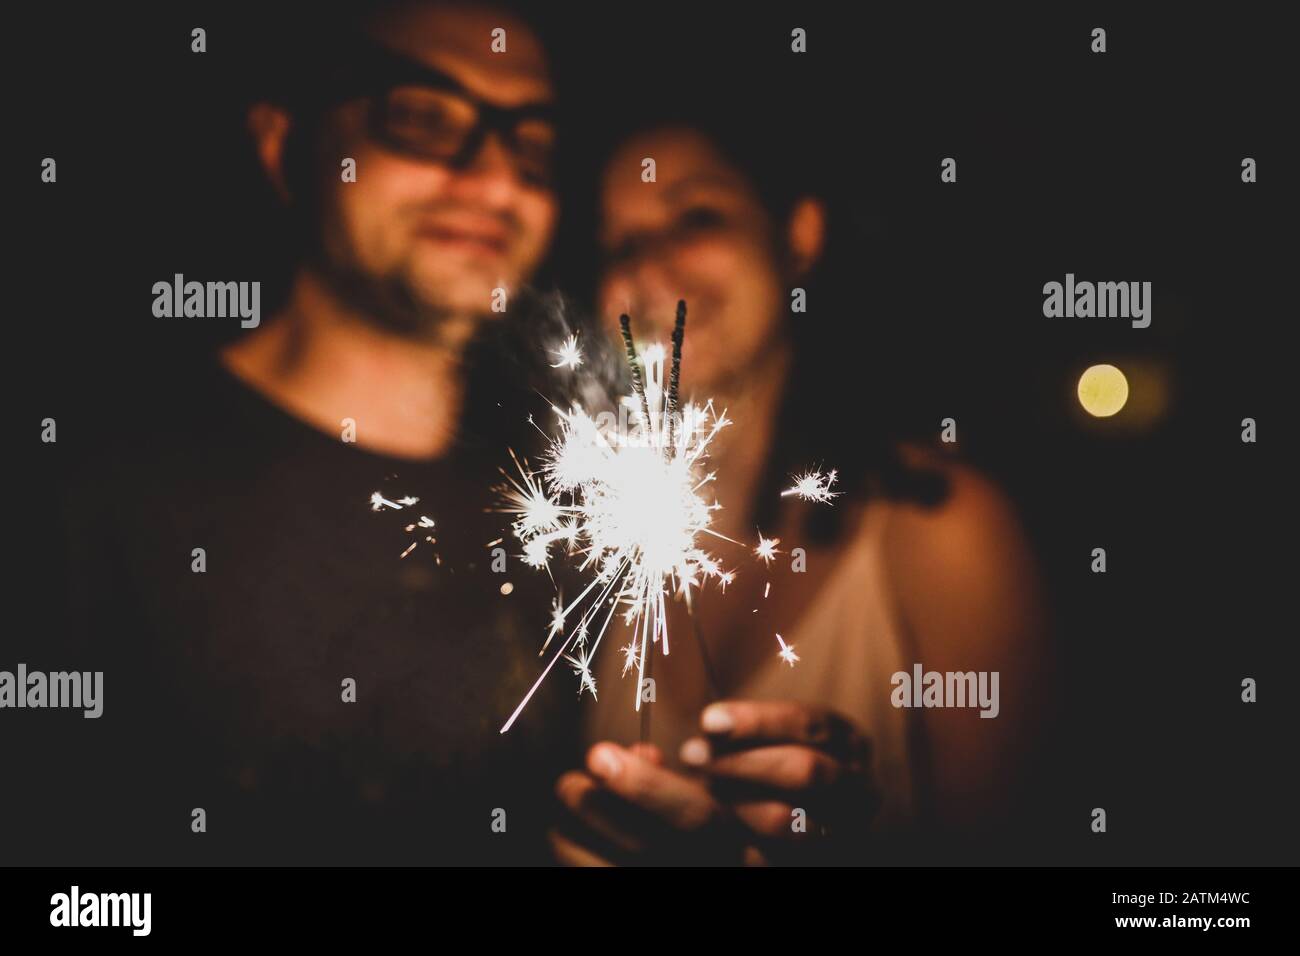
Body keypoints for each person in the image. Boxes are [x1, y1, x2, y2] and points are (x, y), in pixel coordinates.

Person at [34, 0, 576, 865]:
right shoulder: (83, 479)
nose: (494, 181)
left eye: (533, 146)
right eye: (421, 117)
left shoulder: (567, 504)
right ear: (281, 142)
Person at [550, 119, 1053, 865]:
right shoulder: (601, 548)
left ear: (798, 236)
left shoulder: (944, 528)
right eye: (619, 245)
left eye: (697, 218)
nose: (648, 270)